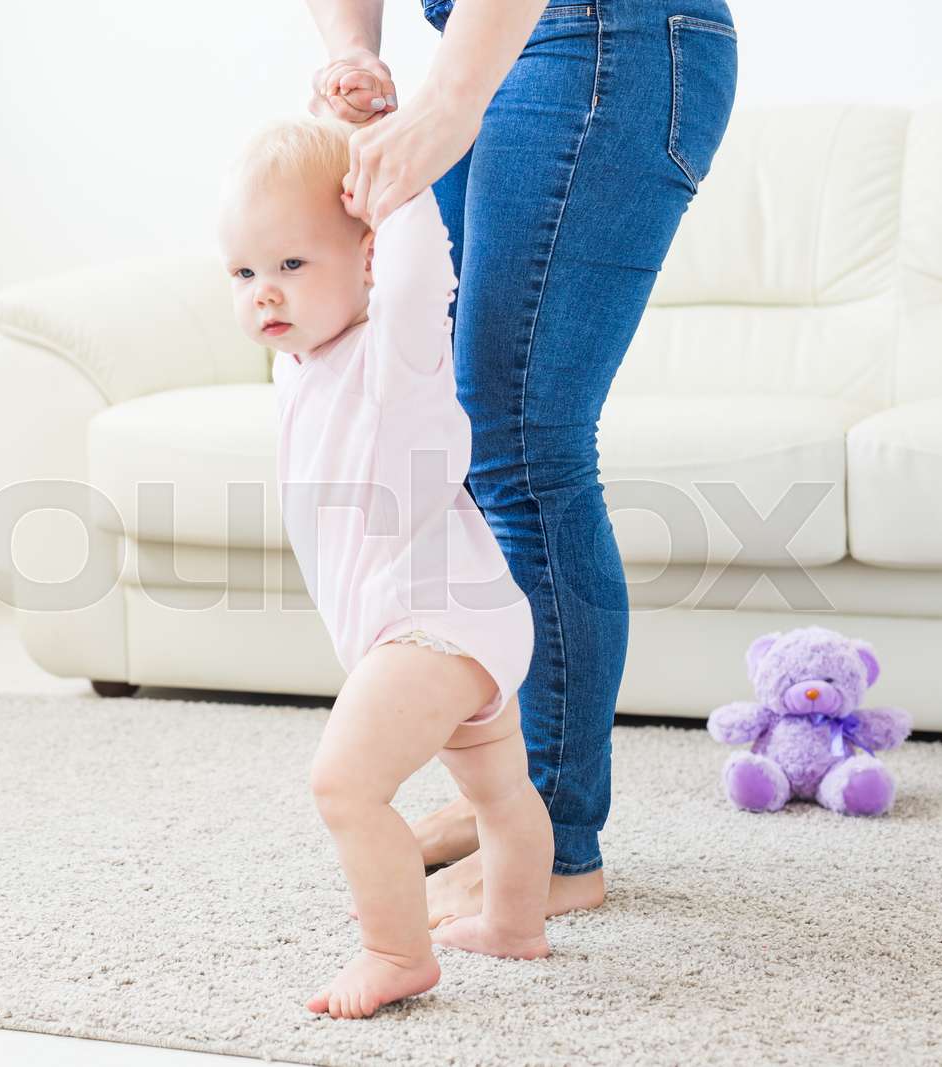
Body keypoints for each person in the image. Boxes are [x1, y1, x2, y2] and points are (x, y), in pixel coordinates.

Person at [304, 0, 738, 926]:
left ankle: (555, 844)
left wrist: (453, 96)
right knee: (463, 438)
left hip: (603, 34)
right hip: (503, 38)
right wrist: (353, 52)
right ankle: (505, 799)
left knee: (524, 444)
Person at [218, 116, 555, 1019]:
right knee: (497, 785)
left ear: (368, 260)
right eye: (245, 272)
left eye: (293, 265)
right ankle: (515, 924)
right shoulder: (300, 363)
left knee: (344, 783)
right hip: (467, 608)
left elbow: (415, 276)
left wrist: (394, 178)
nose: (265, 294)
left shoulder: (392, 353)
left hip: (431, 621)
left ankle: (395, 951)